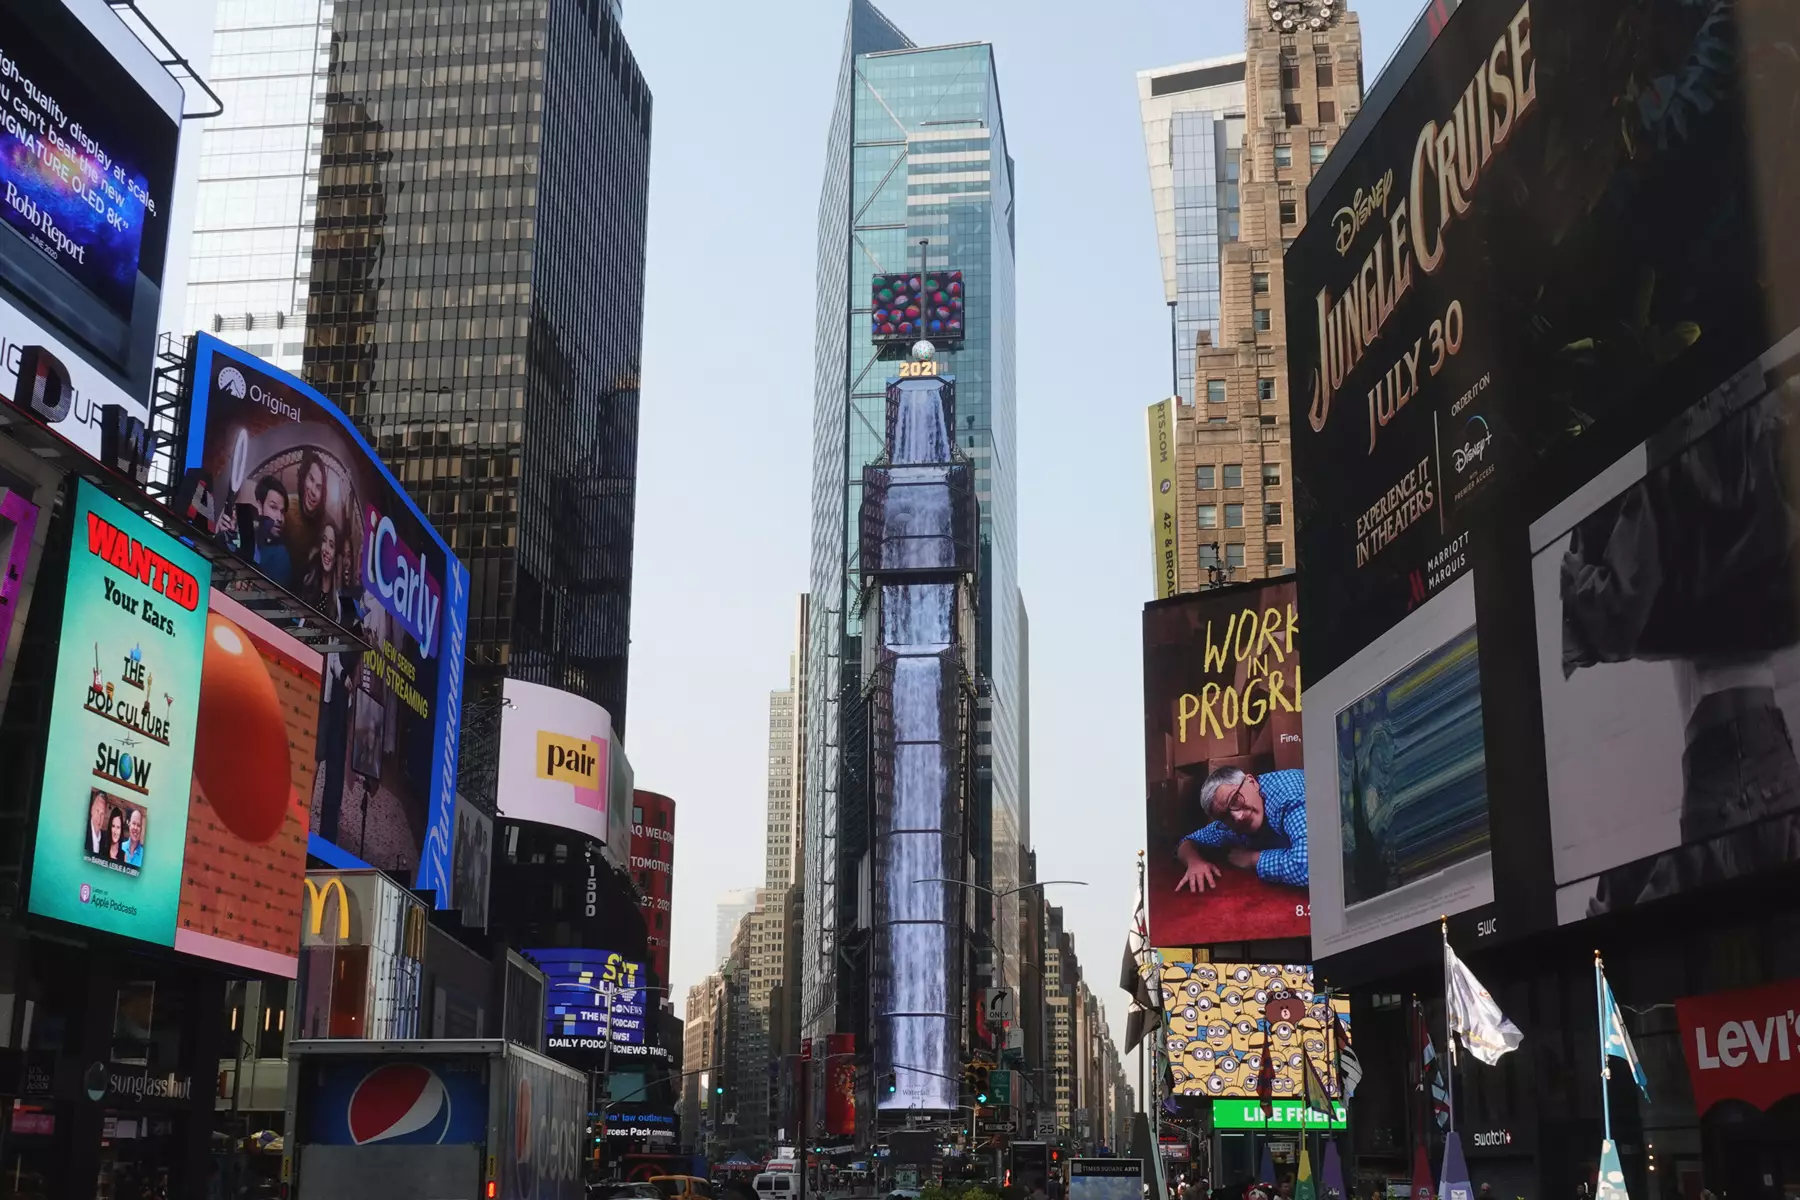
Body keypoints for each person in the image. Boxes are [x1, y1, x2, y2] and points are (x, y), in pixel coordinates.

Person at [1174, 765, 1308, 892]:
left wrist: (1254, 859)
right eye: (1224, 815)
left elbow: (1310, 865)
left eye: (1235, 800)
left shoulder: (1286, 796)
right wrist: (1194, 862)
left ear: (1252, 782)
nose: (1238, 817)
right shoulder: (1228, 826)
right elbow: (1188, 841)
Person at [252, 476, 292, 588]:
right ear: (259, 506)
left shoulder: (281, 555)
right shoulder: (242, 537)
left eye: (282, 512)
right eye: (273, 508)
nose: (279, 518)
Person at [86, 792, 110, 858]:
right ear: (92, 810)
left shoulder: (106, 841)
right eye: (97, 811)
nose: (99, 818)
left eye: (102, 813)